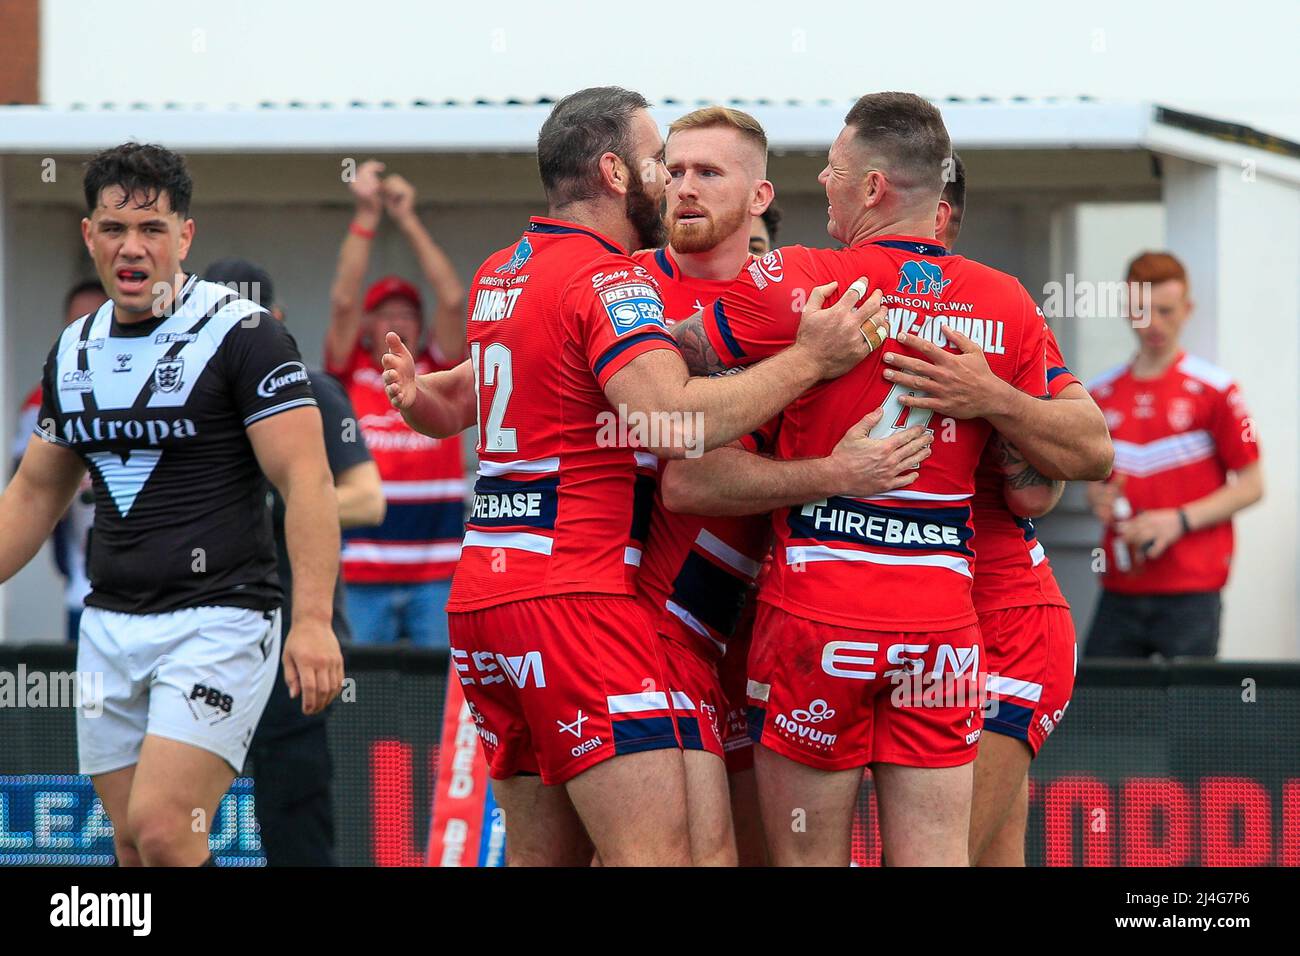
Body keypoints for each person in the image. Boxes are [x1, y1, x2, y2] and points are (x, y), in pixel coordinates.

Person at [382, 85, 885, 866]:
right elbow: (671, 433)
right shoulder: (617, 280)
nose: (677, 183)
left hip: (516, 595)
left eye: (705, 172)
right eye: (666, 163)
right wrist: (819, 397)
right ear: (617, 174)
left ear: (758, 198)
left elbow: (457, 397)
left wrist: (419, 397)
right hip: (607, 612)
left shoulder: (506, 269)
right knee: (677, 856)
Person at [660, 92, 1112, 865]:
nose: (824, 186)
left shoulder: (805, 279)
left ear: (872, 188)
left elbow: (664, 375)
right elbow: (1084, 458)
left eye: (833, 172)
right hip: (942, 626)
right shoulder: (1001, 301)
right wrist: (997, 399)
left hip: (821, 613)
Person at [0, 143, 343, 866]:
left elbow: (307, 481)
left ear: (184, 237)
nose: (133, 248)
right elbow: (34, 493)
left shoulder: (244, 334)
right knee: (134, 847)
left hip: (221, 617)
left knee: (163, 828)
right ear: (89, 235)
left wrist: (311, 623)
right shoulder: (73, 351)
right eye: (116, 228)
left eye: (152, 228)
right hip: (109, 623)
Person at [934, 153, 1091, 866]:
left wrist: (997, 401)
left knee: (942, 852)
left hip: (1008, 621)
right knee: (995, 849)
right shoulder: (833, 302)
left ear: (942, 217)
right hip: (910, 625)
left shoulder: (999, 311)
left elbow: (1063, 468)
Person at [206, 257, 384, 866]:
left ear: (277, 322)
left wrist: (276, 505)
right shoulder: (188, 400)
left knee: (293, 808)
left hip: (290, 630)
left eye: (249, 323)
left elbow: (367, 498)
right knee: (168, 820)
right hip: (199, 635)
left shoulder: (310, 390)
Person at [1083, 251, 1263, 658]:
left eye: (1166, 310)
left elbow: (1253, 485)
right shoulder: (1099, 392)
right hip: (1119, 585)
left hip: (1192, 590)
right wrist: (1098, 498)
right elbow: (1093, 484)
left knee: (1189, 716)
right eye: (1142, 311)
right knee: (1104, 711)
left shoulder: (1216, 388)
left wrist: (1178, 521)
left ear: (1187, 310)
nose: (1154, 324)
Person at [325, 162, 467, 648]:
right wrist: (367, 215)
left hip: (438, 568)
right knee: (365, 697)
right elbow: (344, 301)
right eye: (386, 312)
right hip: (365, 571)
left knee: (440, 695)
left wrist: (406, 218)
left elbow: (452, 298)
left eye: (407, 312)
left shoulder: (436, 364)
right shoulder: (350, 370)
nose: (397, 320)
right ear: (369, 325)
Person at [11, 278, 108, 642]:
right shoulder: (46, 396)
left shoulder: (147, 386)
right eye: (76, 323)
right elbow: (24, 488)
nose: (86, 334)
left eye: (95, 320)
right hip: (83, 590)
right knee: (88, 696)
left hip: (158, 594)